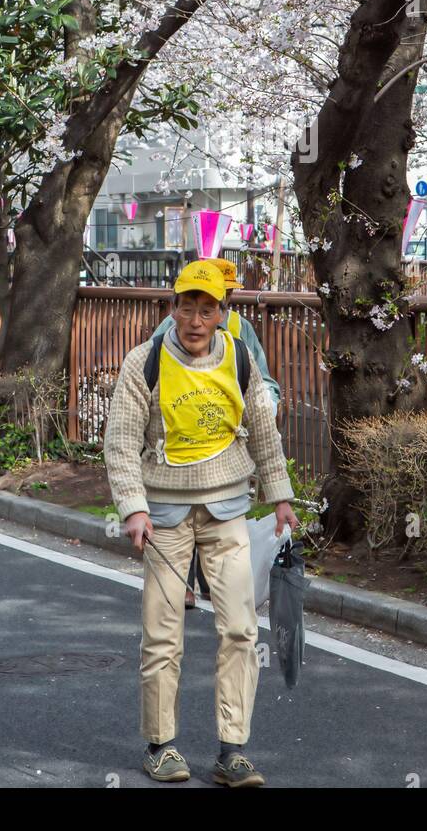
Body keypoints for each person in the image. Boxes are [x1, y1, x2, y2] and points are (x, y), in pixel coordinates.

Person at [105, 259, 298, 787]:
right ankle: (161, 745)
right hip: (164, 516)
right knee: (163, 635)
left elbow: (262, 429)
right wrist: (133, 507)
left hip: (227, 510)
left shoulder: (238, 358)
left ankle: (232, 751)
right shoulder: (143, 361)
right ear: (173, 309)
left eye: (206, 309)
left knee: (239, 628)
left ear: (220, 314)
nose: (195, 319)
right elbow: (121, 441)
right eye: (187, 306)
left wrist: (280, 496)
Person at [150, 256, 282, 608]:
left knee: (219, 511)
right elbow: (151, 376)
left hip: (225, 438)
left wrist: (265, 405)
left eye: (226, 296)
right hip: (179, 443)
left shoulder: (241, 330)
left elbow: (264, 380)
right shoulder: (170, 326)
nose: (200, 318)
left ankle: (214, 583)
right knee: (185, 510)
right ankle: (186, 582)